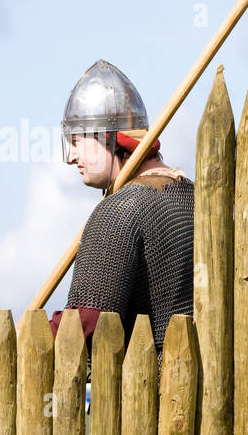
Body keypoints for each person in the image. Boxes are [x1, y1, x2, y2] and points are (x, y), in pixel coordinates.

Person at [49, 59, 194, 369]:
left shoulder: (120, 210)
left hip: (144, 400)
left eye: (77, 141)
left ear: (109, 138)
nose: (72, 155)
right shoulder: (198, 199)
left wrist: (24, 346)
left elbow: (84, 324)